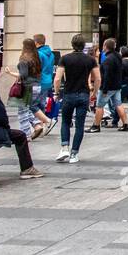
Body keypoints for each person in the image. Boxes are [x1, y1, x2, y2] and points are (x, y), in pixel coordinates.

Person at [53, 34, 100, 163]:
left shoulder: (65, 59)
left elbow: (57, 78)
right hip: (84, 94)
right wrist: (94, 92)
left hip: (69, 93)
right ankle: (74, 154)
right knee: (80, 125)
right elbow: (98, 78)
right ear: (84, 45)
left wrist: (56, 93)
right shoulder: (90, 60)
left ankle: (64, 148)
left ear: (72, 44)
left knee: (66, 122)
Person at [15, 38, 52, 140]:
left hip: (27, 86)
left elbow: (23, 75)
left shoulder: (24, 59)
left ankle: (26, 135)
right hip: (37, 85)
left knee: (22, 111)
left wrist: (12, 74)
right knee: (28, 108)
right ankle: (37, 124)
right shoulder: (37, 58)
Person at [94, 38, 127, 133]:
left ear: (105, 46)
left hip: (108, 87)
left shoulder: (108, 60)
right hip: (117, 85)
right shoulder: (118, 56)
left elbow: (107, 75)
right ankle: (125, 124)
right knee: (118, 104)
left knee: (99, 106)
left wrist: (104, 90)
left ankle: (96, 125)